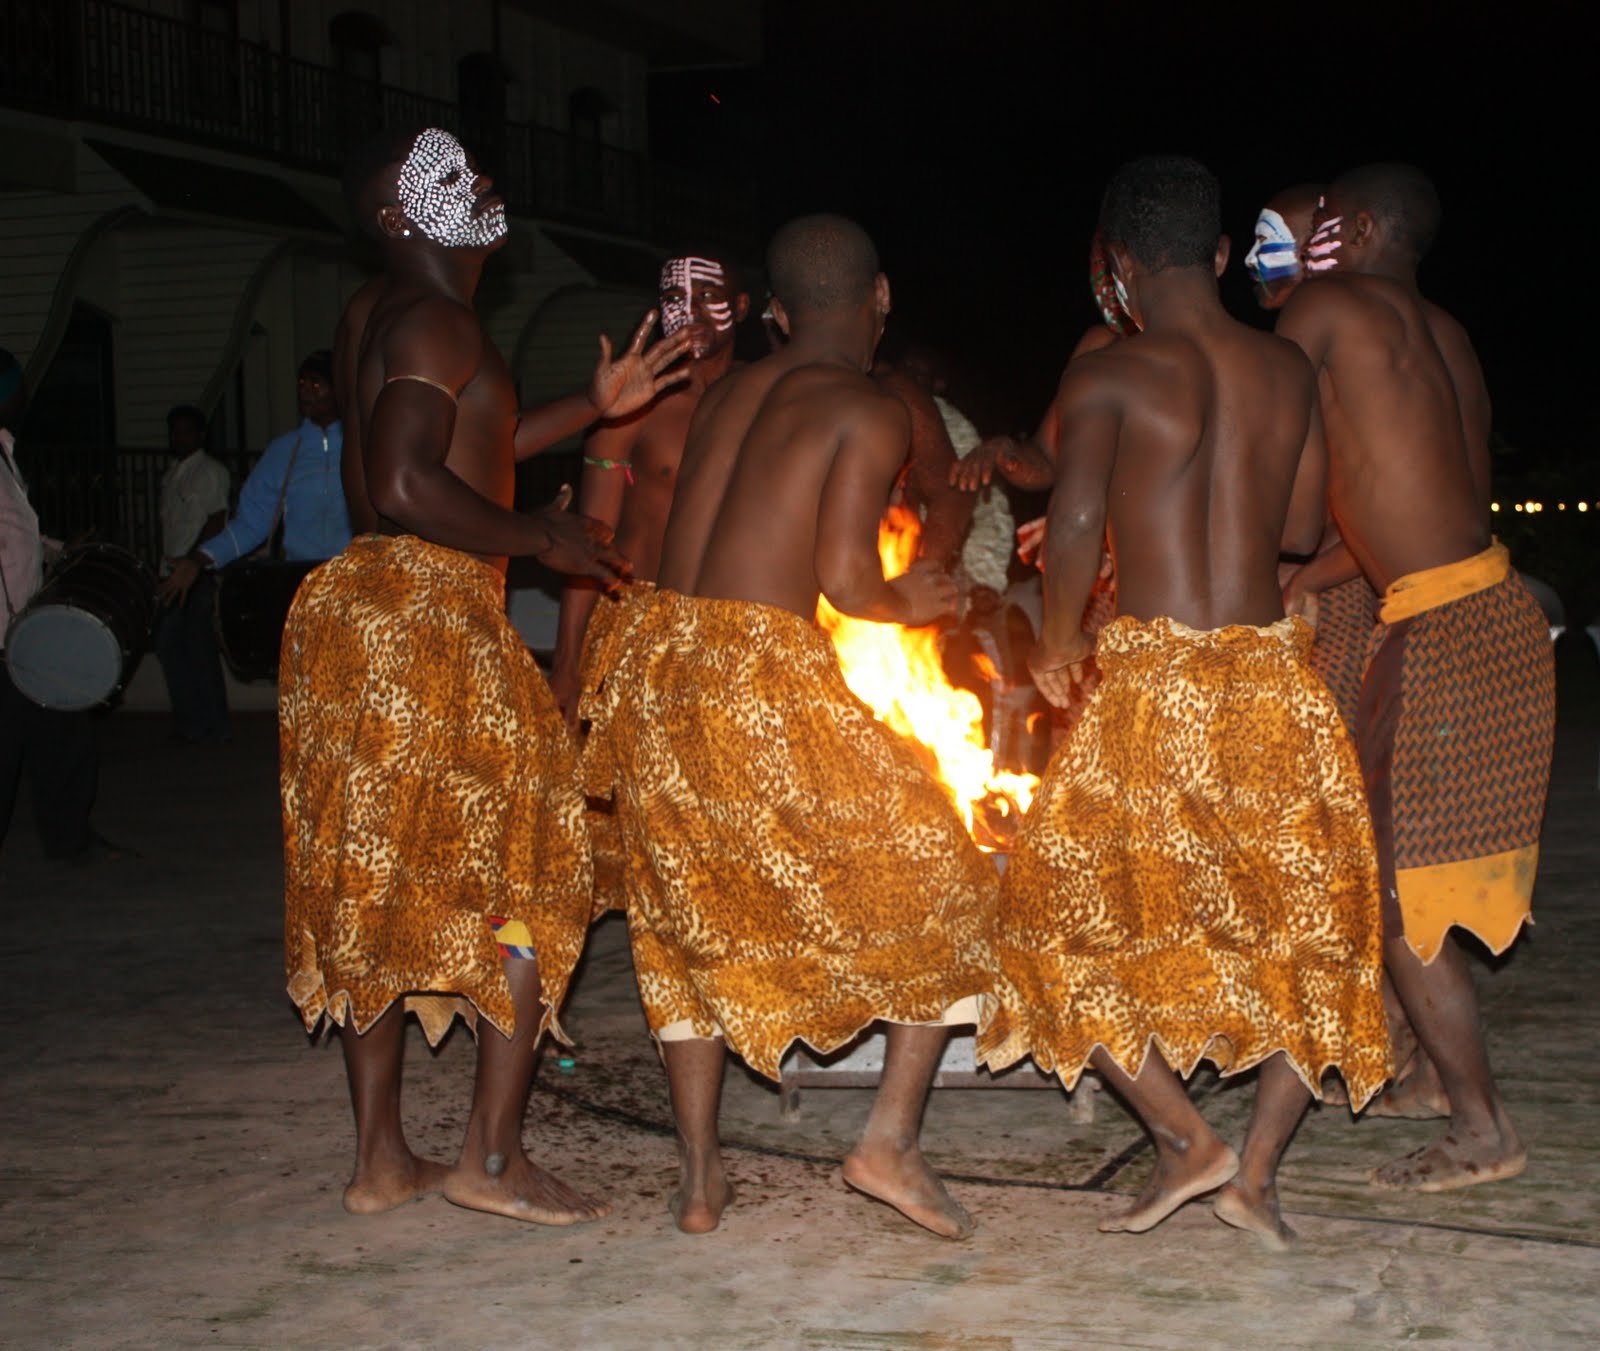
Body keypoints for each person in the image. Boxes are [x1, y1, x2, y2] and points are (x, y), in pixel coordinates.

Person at [978, 157, 1389, 1250]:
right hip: (1267, 675)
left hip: (1157, 681)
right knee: (1313, 934)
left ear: (1117, 266)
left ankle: (1183, 1138)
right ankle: (1250, 1171)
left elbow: (1070, 525)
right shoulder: (1289, 369)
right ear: (1217, 255)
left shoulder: (1110, 374)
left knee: (1050, 923)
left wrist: (1059, 639)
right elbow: (1300, 531)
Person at [281, 125, 688, 1225]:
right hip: (427, 620)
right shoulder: (436, 314)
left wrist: (590, 411)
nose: (483, 184)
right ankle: (491, 1159)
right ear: (396, 218)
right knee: (538, 880)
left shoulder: (384, 311)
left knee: (375, 881)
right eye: (448, 178)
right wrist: (536, 538)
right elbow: (409, 480)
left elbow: (471, 438)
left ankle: (380, 1160)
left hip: (368, 614)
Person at [582, 214, 998, 1238]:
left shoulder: (725, 392)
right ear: (882, 297)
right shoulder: (866, 407)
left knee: (686, 917)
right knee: (941, 880)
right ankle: (888, 1141)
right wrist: (927, 597)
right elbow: (850, 582)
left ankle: (698, 1179)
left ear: (772, 311)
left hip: (653, 657)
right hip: (749, 667)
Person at [1277, 164, 1555, 1190]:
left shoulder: (1322, 308)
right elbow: (1425, 505)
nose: (1304, 248)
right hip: (1486, 607)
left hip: (1443, 624)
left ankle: (1483, 1124)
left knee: (1399, 895)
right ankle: (1432, 1078)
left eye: (1316, 229)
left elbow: (1298, 498)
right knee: (1387, 854)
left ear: (1347, 229)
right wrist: (1309, 574)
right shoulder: (1445, 332)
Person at [548, 252, 750, 728]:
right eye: (675, 298)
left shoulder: (765, 395)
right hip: (639, 628)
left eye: (708, 296)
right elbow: (589, 540)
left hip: (732, 632)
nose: (692, 312)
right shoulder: (633, 404)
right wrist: (567, 664)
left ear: (740, 307)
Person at [0, 349, 105, 861]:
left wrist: (62, 550)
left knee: (63, 729)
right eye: (17, 387)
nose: (25, 397)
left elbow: (18, 537)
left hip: (28, 635)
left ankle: (69, 837)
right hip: (5, 637)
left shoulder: (6, 454)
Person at [160, 352, 351, 604]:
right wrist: (200, 559)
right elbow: (251, 524)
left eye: (316, 383)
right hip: (305, 585)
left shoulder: (365, 445)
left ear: (341, 387)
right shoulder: (284, 451)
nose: (305, 391)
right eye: (301, 384)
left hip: (360, 582)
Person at [153, 404, 231, 743]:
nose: (178, 437)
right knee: (172, 648)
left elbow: (217, 519)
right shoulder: (173, 474)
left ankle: (213, 726)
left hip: (195, 573)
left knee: (196, 648)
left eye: (185, 430)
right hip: (171, 571)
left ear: (200, 435)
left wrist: (194, 560)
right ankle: (192, 723)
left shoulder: (209, 472)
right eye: (174, 431)